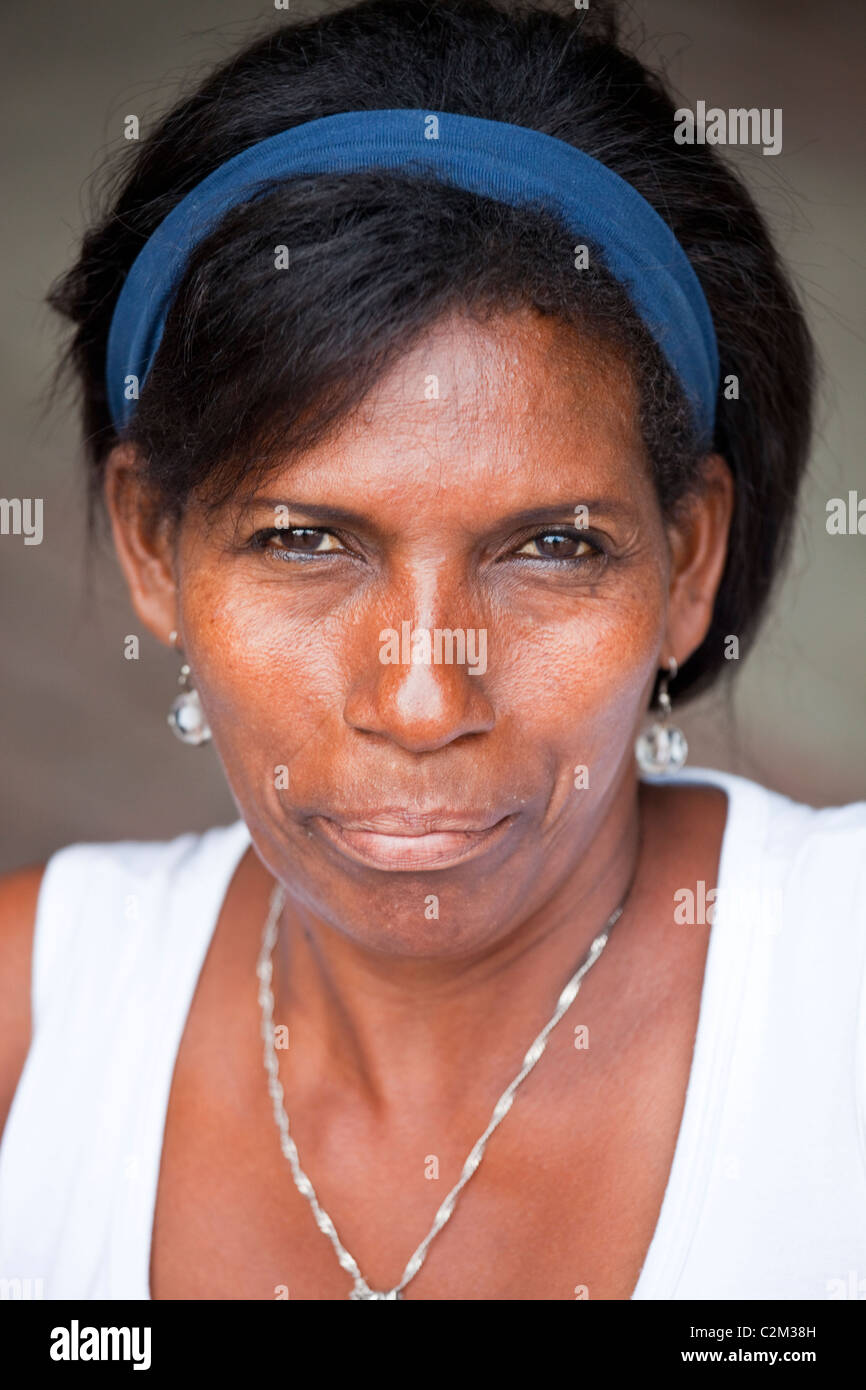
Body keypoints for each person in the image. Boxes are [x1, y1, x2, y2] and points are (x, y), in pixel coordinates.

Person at [1, 0, 864, 1302]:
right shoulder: (28, 1026)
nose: (418, 696)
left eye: (550, 548)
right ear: (149, 543)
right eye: (302, 539)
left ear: (686, 561)